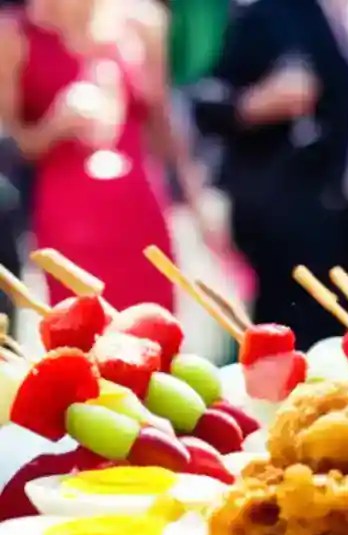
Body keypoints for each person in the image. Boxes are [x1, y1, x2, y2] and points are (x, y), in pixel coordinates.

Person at [193, 0, 348, 349]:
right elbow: (207, 102)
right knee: (297, 354)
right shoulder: (269, 15)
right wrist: (257, 102)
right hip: (294, 223)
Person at [0, 0, 203, 311]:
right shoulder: (14, 33)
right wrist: (54, 127)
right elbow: (11, 142)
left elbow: (163, 124)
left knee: (155, 327)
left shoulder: (143, 22)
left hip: (141, 207)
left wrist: (198, 202)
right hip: (68, 217)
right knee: (82, 328)